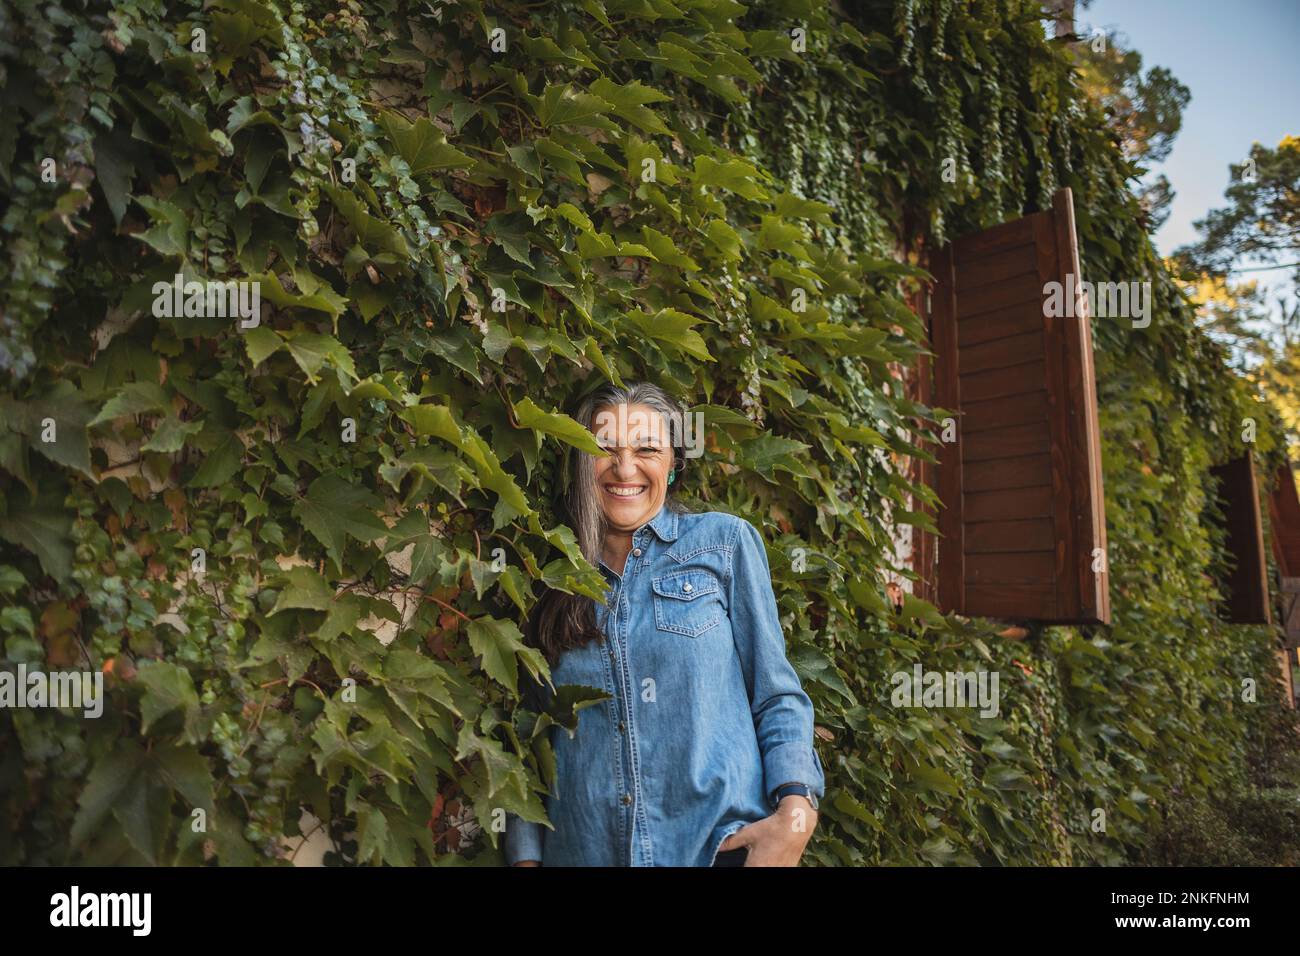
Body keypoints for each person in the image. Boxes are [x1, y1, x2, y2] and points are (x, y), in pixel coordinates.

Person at [503, 380, 825, 867]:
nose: (625, 468)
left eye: (647, 449)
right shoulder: (547, 577)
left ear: (673, 463)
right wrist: (525, 858)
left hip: (716, 850)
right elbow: (527, 733)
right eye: (603, 448)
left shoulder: (724, 544)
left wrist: (795, 818)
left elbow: (776, 694)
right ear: (578, 464)